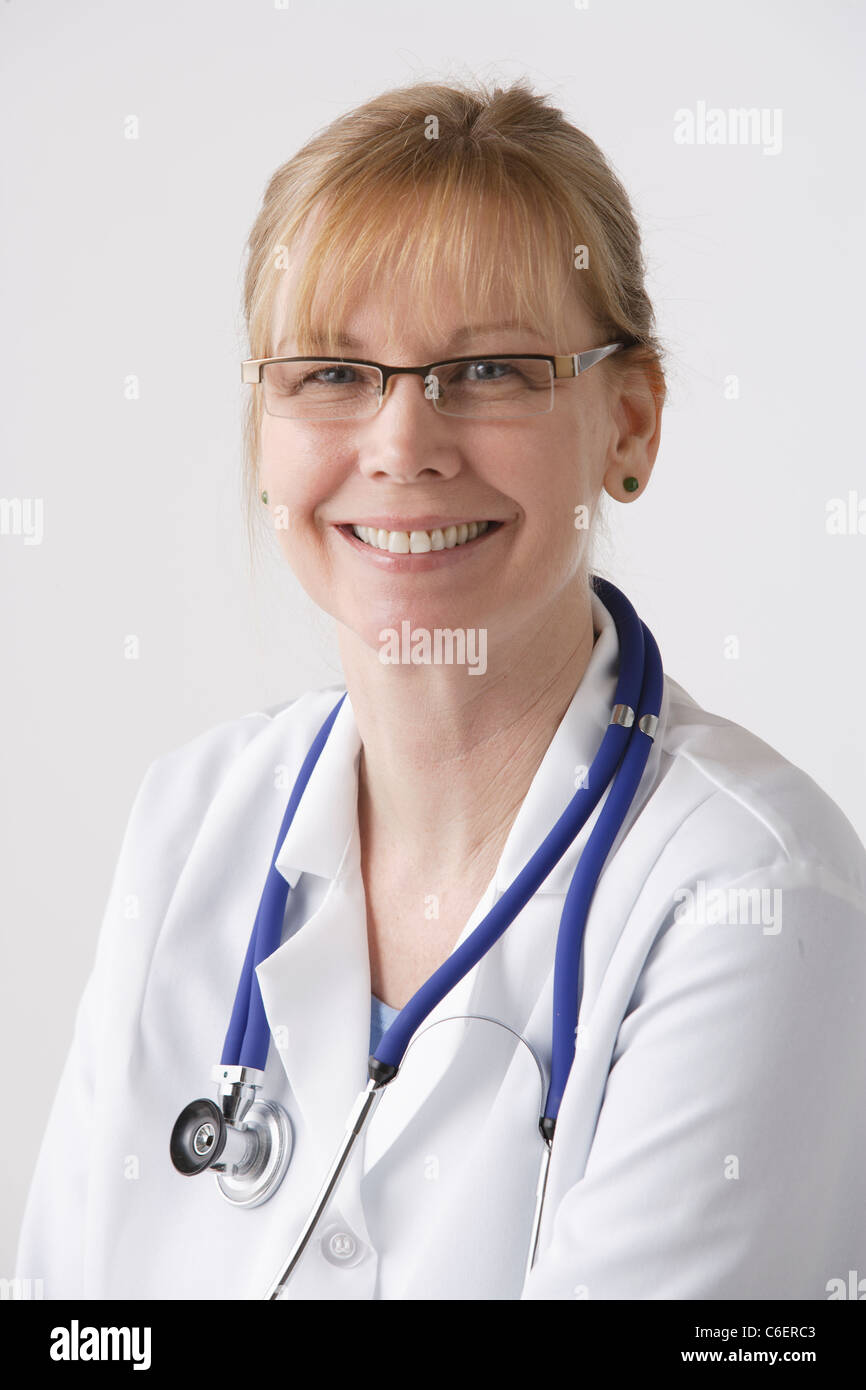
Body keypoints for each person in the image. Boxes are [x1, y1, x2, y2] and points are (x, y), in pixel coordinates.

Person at [15, 76, 866, 1301]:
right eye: (331, 374)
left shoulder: (751, 898)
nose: (402, 442)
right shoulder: (192, 818)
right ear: (263, 431)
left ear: (629, 423)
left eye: (490, 371)